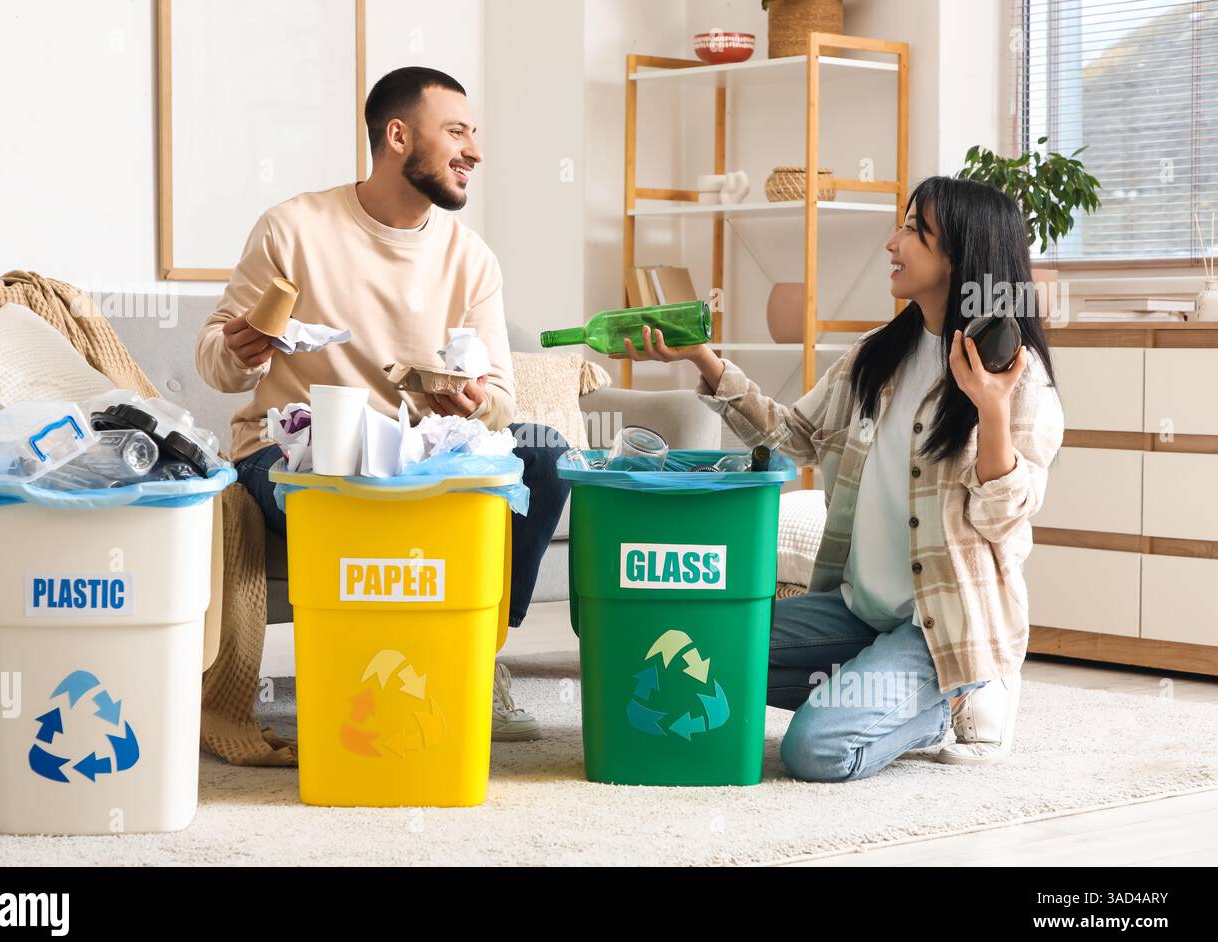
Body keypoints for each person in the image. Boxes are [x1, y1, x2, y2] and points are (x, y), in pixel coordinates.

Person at [623, 176, 1065, 781]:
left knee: (816, 751)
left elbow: (1002, 519)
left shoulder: (1019, 379)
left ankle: (946, 704)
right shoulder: (875, 356)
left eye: (915, 231)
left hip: (939, 631)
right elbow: (789, 437)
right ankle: (871, 684)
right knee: (703, 650)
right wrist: (703, 358)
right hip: (856, 612)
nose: (893, 242)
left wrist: (990, 407)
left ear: (962, 254)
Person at [195, 66, 569, 742]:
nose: (474, 152)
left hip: (418, 453)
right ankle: (352, 668)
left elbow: (503, 403)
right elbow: (216, 365)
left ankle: (473, 655)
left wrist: (473, 401)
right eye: (457, 132)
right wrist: (240, 349)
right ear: (398, 136)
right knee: (337, 481)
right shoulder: (293, 229)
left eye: (474, 135)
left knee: (545, 456)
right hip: (296, 457)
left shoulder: (471, 259)